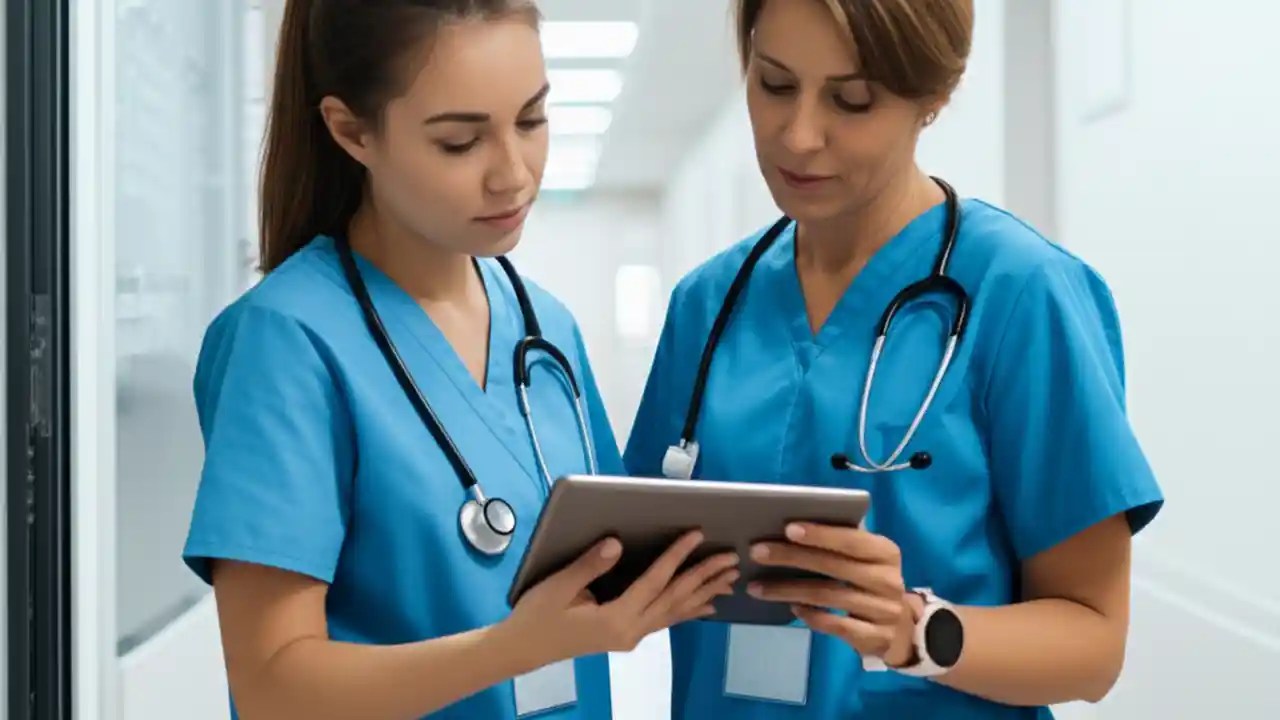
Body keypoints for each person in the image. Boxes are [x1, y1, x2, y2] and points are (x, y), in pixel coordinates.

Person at [180, 1, 740, 718]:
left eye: (532, 121)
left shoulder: (547, 331)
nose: (513, 173)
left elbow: (610, 557)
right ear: (351, 130)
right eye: (458, 142)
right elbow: (272, 689)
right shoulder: (286, 341)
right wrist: (513, 647)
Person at [623, 0, 1164, 718]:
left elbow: (1093, 644)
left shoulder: (1020, 293)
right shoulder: (709, 304)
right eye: (774, 85)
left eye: (852, 101)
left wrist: (917, 631)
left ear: (932, 99)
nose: (799, 135)